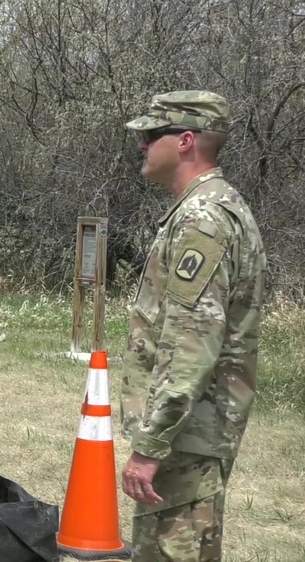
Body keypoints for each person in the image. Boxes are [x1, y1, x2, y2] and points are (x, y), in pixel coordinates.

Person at [119, 90, 267, 561]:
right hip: (192, 432)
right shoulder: (204, 210)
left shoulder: (204, 219)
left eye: (149, 135)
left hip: (188, 434)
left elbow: (191, 344)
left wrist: (152, 443)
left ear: (185, 141)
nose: (141, 145)